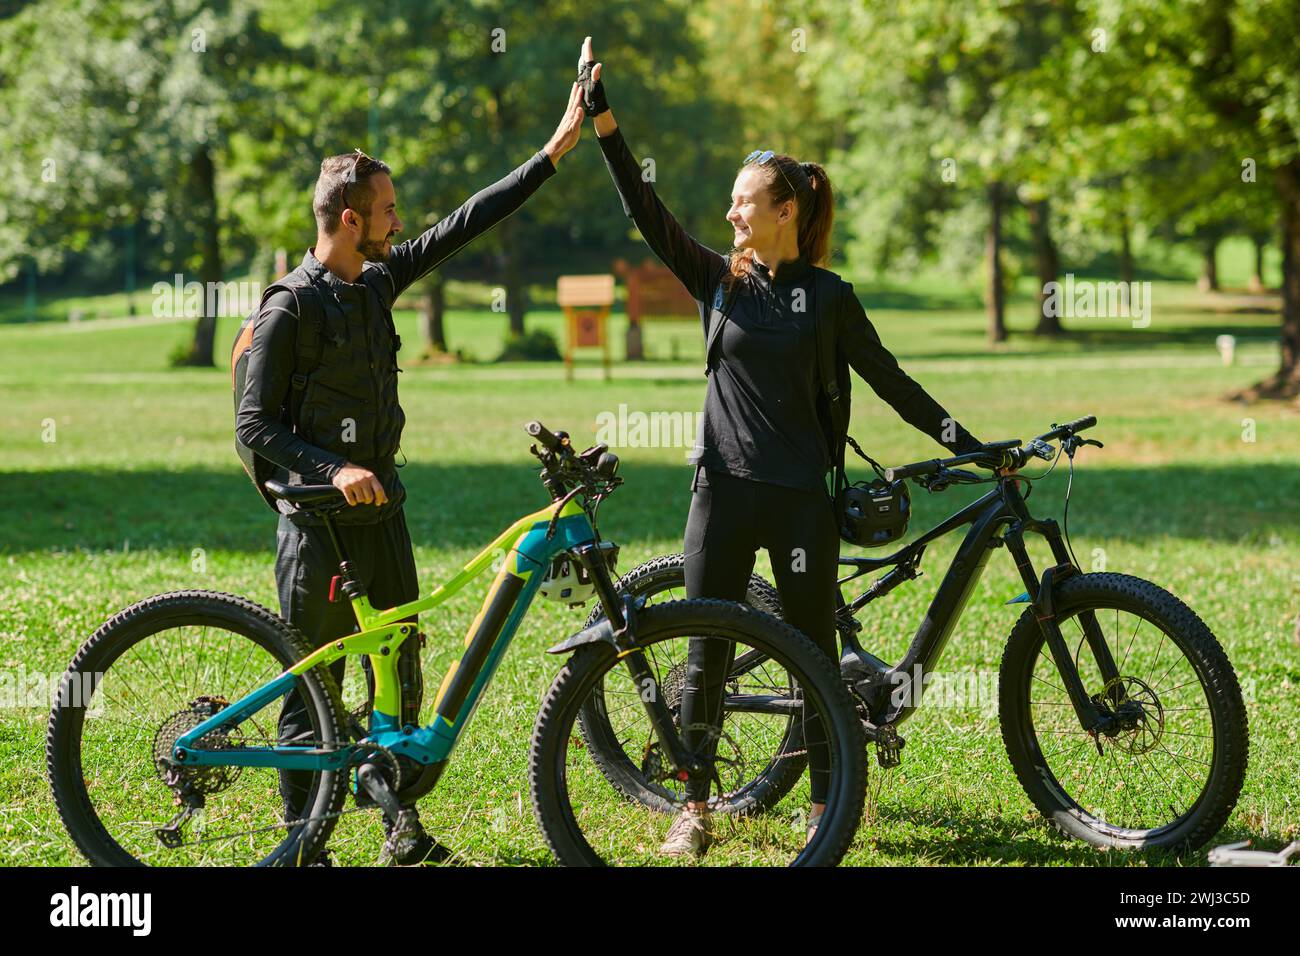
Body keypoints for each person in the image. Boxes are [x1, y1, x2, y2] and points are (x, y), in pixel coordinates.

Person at [576, 37, 1015, 857]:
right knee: (704, 654)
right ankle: (696, 806)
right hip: (723, 495)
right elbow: (645, 209)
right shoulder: (719, 280)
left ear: (787, 211)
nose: (732, 212)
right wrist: (605, 124)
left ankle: (823, 804)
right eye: (733, 202)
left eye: (746, 202)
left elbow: (894, 383)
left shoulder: (828, 299)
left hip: (800, 504)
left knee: (812, 659)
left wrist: (977, 447)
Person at [234, 81, 588, 865]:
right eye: (388, 209)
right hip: (316, 525)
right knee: (314, 693)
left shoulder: (379, 281)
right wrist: (334, 468)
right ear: (350, 218)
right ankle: (305, 847)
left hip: (382, 514)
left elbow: (465, 224)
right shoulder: (289, 308)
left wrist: (552, 154)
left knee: (399, 672)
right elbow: (254, 426)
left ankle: (400, 824)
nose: (401, 220)